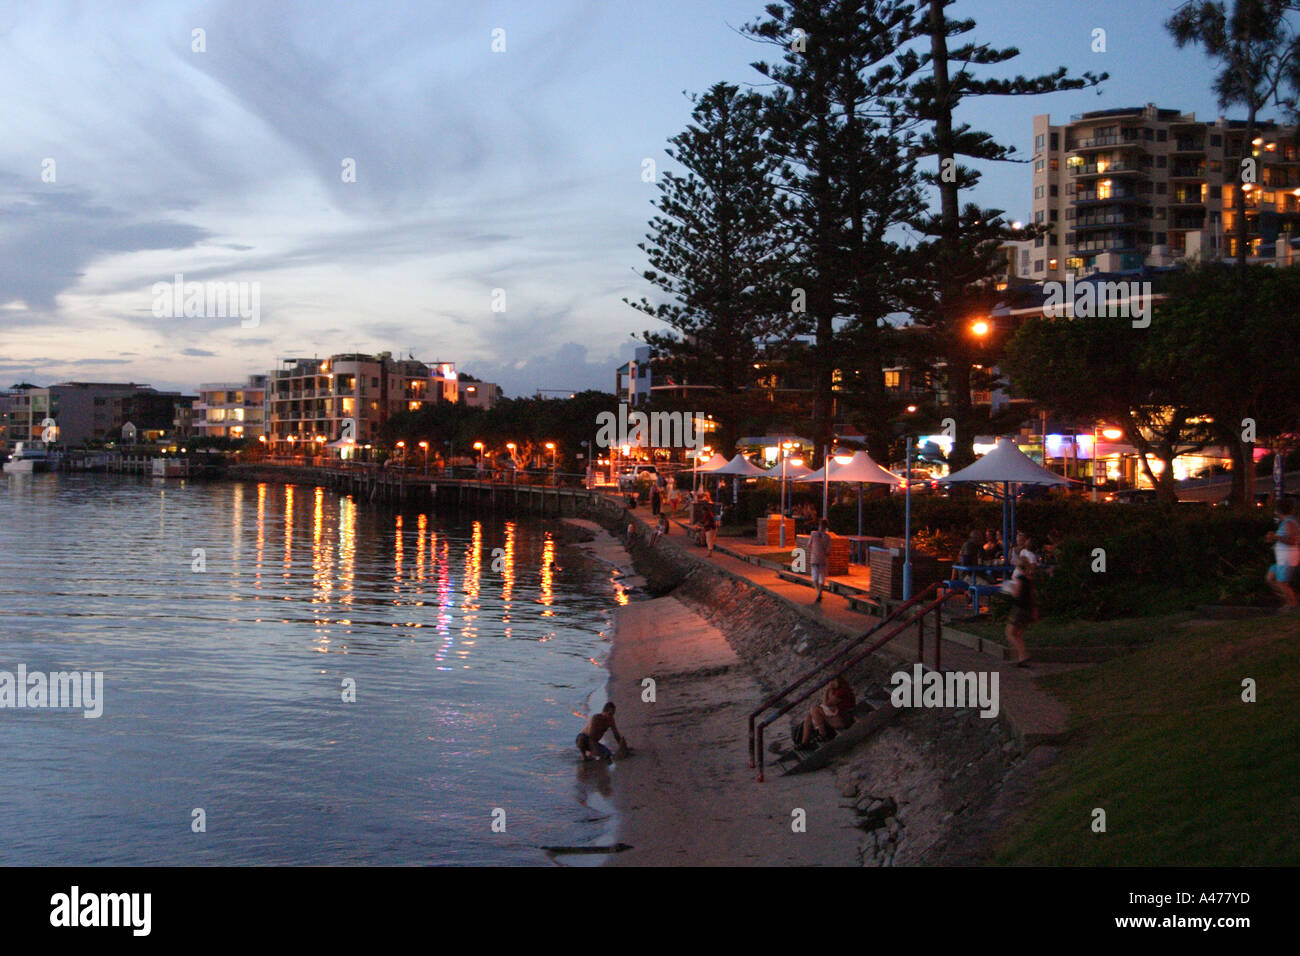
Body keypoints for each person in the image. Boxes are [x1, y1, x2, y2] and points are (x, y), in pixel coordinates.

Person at [797, 675, 855, 746]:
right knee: (808, 717)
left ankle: (823, 734)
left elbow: (826, 704)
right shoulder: (836, 691)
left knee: (814, 709)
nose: (831, 683)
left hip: (844, 719)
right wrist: (829, 690)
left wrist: (827, 690)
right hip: (839, 716)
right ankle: (804, 743)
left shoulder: (841, 691)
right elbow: (826, 704)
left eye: (832, 681)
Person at [1265, 497, 1300, 611]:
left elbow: (1292, 541)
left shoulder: (1289, 522)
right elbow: (1285, 538)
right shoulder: (1286, 522)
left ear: (1278, 510)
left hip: (1287, 558)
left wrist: (1275, 537)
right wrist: (1274, 538)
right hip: (1282, 558)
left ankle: (1292, 604)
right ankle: (1289, 600)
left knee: (1282, 583)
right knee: (1270, 578)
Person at [1003, 556, 1038, 666]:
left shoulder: (1020, 578)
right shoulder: (1030, 578)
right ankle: (1021, 657)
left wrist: (1010, 588)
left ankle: (1023, 655)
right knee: (1018, 634)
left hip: (1019, 609)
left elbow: (1017, 594)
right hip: (1028, 608)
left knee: (1010, 633)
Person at [809, 518, 831, 603]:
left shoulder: (813, 534)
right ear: (826, 527)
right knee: (822, 577)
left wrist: (814, 550)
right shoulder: (828, 537)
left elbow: (809, 545)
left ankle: (819, 593)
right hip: (823, 559)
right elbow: (828, 551)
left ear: (819, 526)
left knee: (814, 577)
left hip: (814, 558)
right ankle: (820, 593)